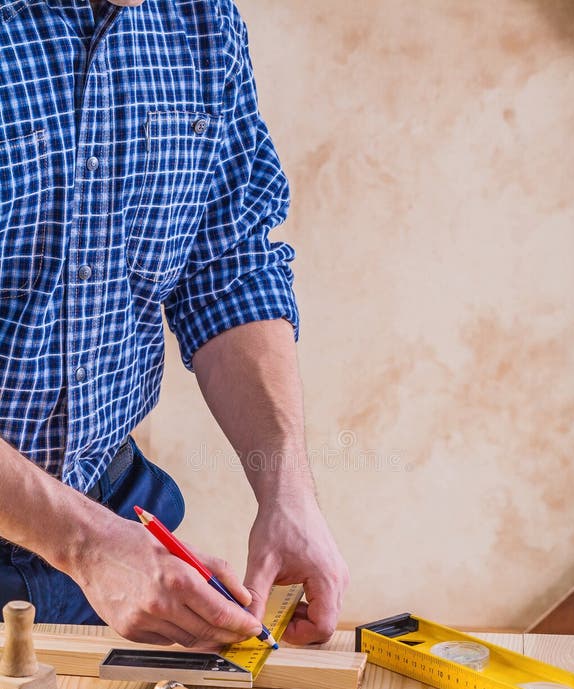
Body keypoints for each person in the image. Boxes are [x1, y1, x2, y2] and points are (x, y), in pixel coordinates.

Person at [0, 0, 349, 648]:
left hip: (112, 540)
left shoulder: (200, 20)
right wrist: (83, 544)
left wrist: (286, 491)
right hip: (95, 548)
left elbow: (227, 267)